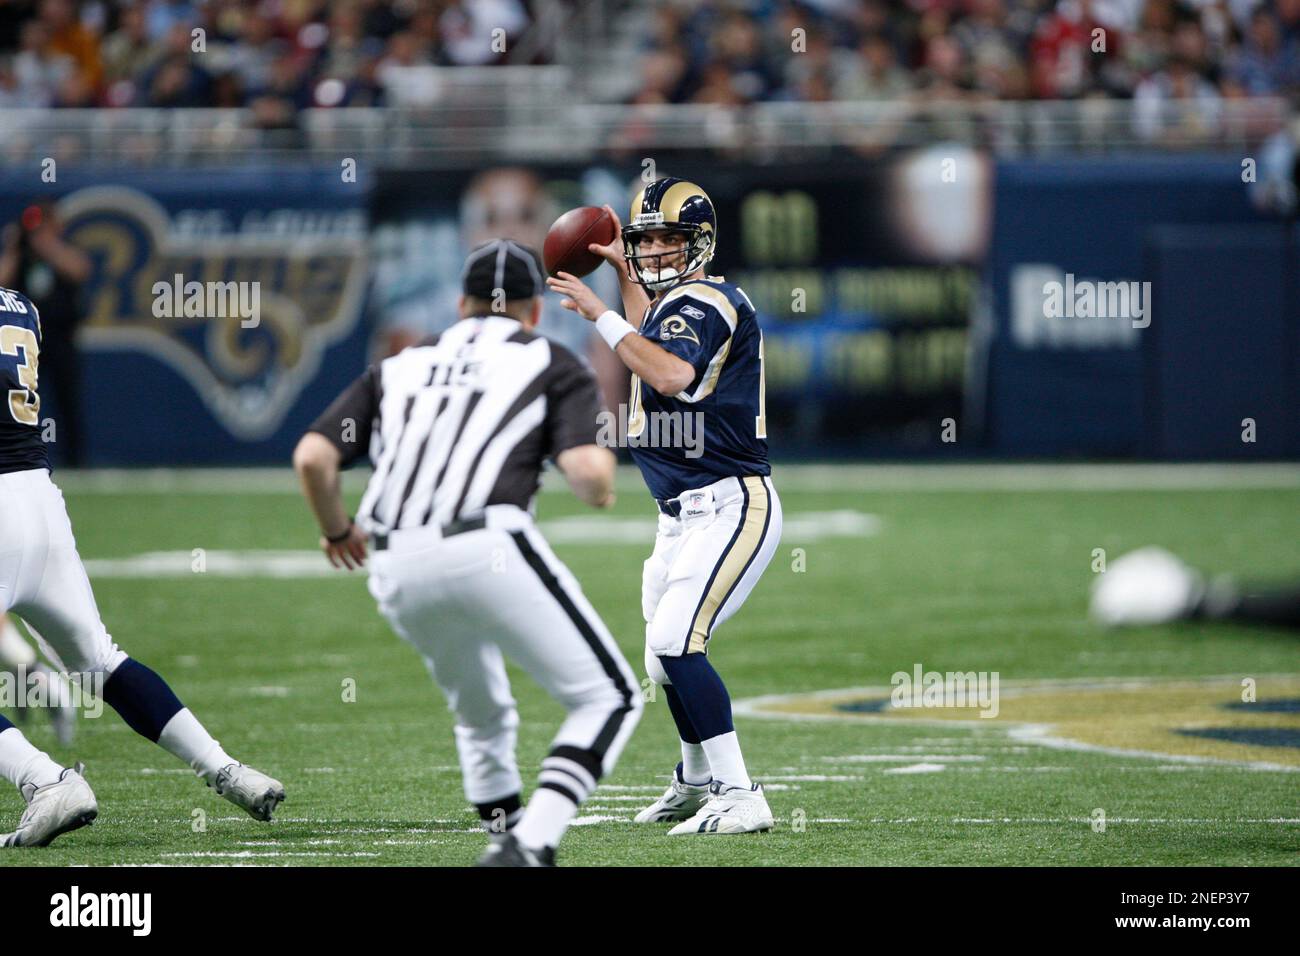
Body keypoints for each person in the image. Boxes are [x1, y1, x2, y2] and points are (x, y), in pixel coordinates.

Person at [293, 239, 642, 866]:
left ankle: (502, 841)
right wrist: (604, 477)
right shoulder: (549, 359)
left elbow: (313, 456)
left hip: (394, 562)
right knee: (609, 697)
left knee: (479, 714)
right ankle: (531, 844)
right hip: (487, 546)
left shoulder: (401, 363)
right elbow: (590, 479)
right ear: (535, 309)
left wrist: (338, 528)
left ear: (461, 305)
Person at [0, 282, 284, 848]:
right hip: (38, 498)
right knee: (99, 661)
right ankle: (227, 769)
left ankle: (45, 780)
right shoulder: (21, 304)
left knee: (93, 663)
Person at [546, 179, 782, 835]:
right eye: (642, 239)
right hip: (681, 512)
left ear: (697, 244)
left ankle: (741, 795)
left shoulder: (706, 300)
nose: (651, 249)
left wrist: (601, 313)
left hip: (729, 502)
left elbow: (670, 373)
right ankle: (696, 780)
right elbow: (652, 334)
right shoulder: (675, 303)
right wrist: (623, 285)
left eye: (664, 239)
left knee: (678, 643)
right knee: (661, 656)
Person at [0, 200, 91, 466]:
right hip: (24, 343)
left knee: (67, 401)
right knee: (16, 401)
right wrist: (14, 248)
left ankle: (75, 460)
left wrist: (47, 245)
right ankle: (16, 458)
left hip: (59, 337)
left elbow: (80, 269)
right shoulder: (20, 255)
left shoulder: (62, 249)